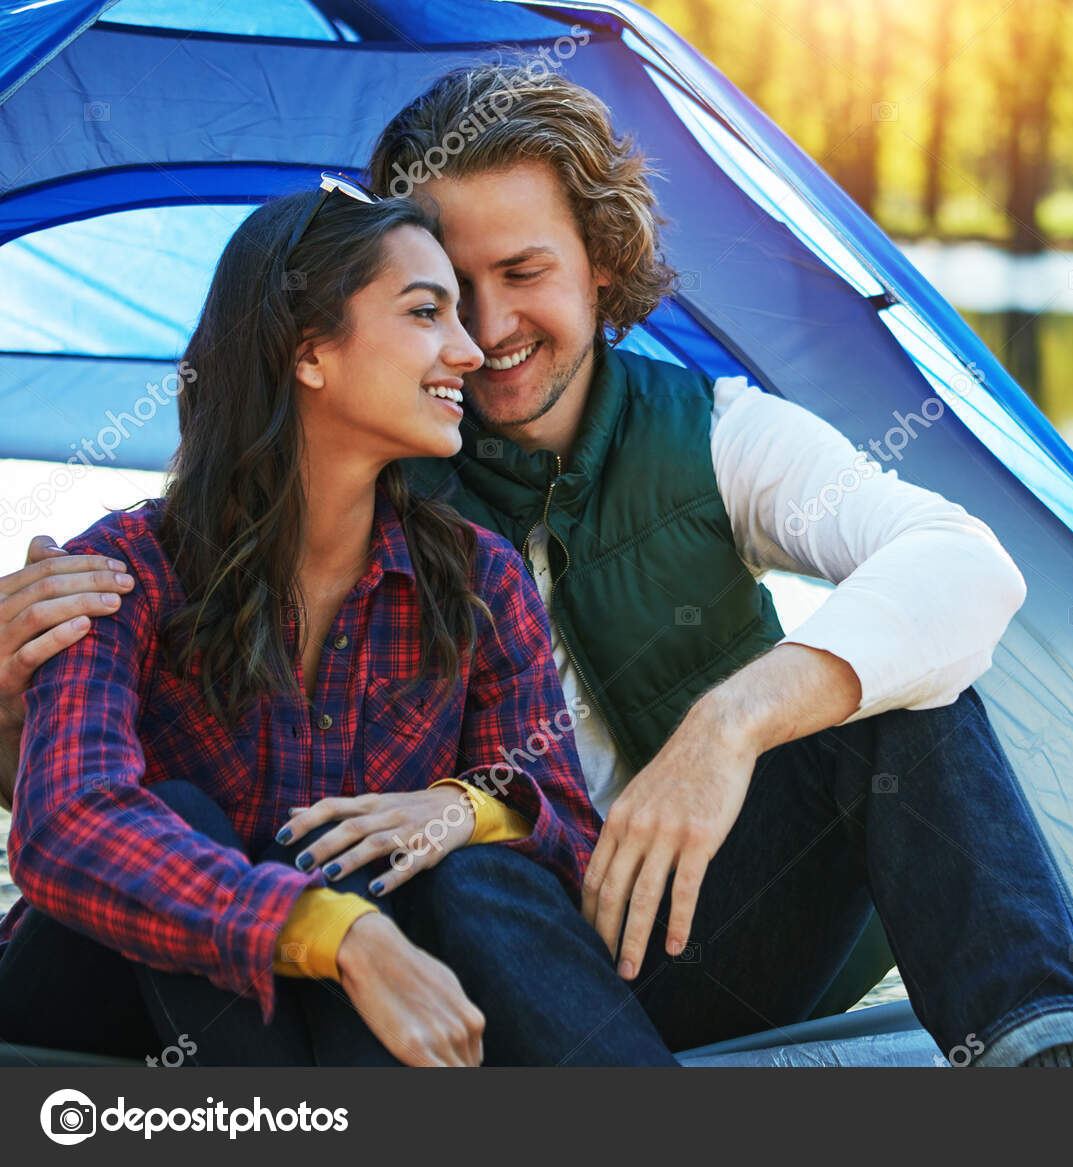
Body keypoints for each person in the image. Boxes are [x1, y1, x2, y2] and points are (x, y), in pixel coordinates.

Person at [0, 63, 1073, 1067]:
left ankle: (1052, 1071)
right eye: (442, 291)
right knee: (443, 875)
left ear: (601, 265)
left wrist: (726, 729)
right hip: (438, 941)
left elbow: (962, 565)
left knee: (905, 702)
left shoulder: (717, 438)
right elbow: (112, 792)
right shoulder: (379, 461)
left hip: (689, 930)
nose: (483, 334)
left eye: (523, 273)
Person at [0, 177, 675, 1067]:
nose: (470, 352)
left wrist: (460, 809)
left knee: (401, 864)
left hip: (324, 1041)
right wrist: (334, 932)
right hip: (97, 1019)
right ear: (310, 349)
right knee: (186, 817)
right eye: (428, 312)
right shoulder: (125, 568)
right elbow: (65, 823)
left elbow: (568, 841)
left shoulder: (479, 583)